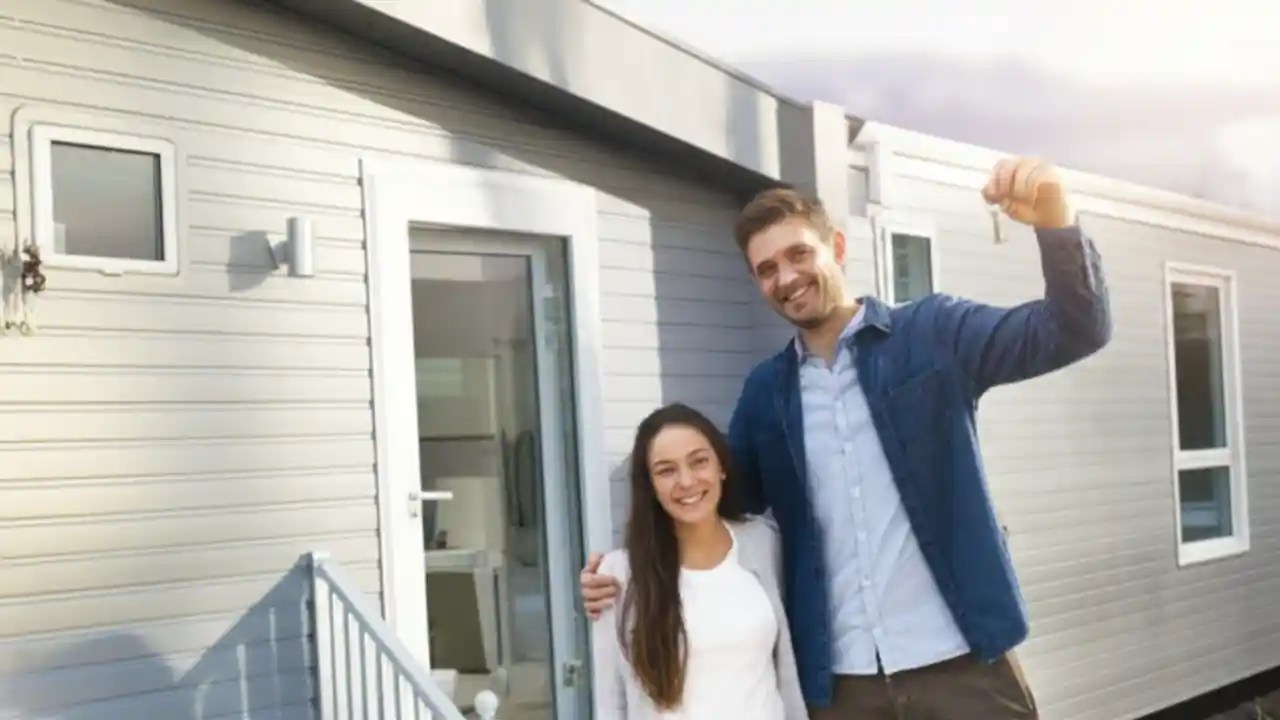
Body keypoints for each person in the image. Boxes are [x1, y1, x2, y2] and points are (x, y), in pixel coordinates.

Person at [581, 157, 1113, 718]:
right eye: (765, 269)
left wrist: (1056, 221)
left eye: (798, 254)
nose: (785, 278)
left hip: (963, 665)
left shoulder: (932, 335)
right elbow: (712, 504)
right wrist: (625, 571)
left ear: (836, 246)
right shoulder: (767, 394)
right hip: (844, 686)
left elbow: (1074, 329)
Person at [590, 402, 809, 720]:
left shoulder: (764, 541)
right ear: (650, 486)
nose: (687, 481)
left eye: (698, 462)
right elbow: (610, 702)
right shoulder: (619, 575)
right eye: (666, 470)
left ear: (721, 466)